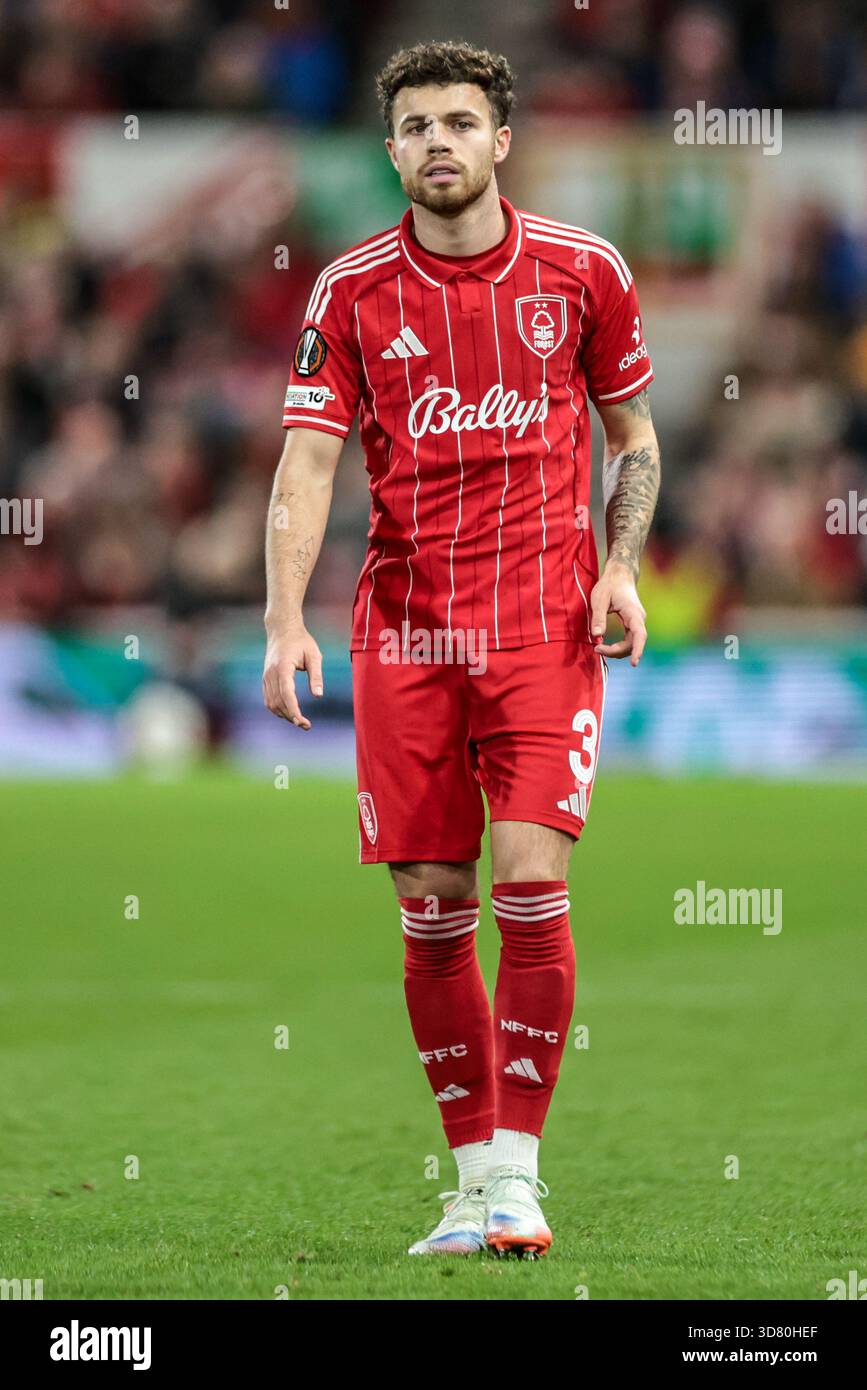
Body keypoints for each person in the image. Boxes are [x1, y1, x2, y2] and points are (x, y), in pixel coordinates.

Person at [263, 40, 661, 1259]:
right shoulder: (349, 294)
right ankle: (474, 1177)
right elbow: (310, 464)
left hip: (544, 625)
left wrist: (623, 564)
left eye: (460, 122)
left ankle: (521, 1183)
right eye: (417, 125)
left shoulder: (583, 271)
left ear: (501, 141)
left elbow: (632, 435)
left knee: (534, 882)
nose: (439, 141)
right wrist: (283, 617)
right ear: (390, 152)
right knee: (435, 909)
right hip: (406, 634)